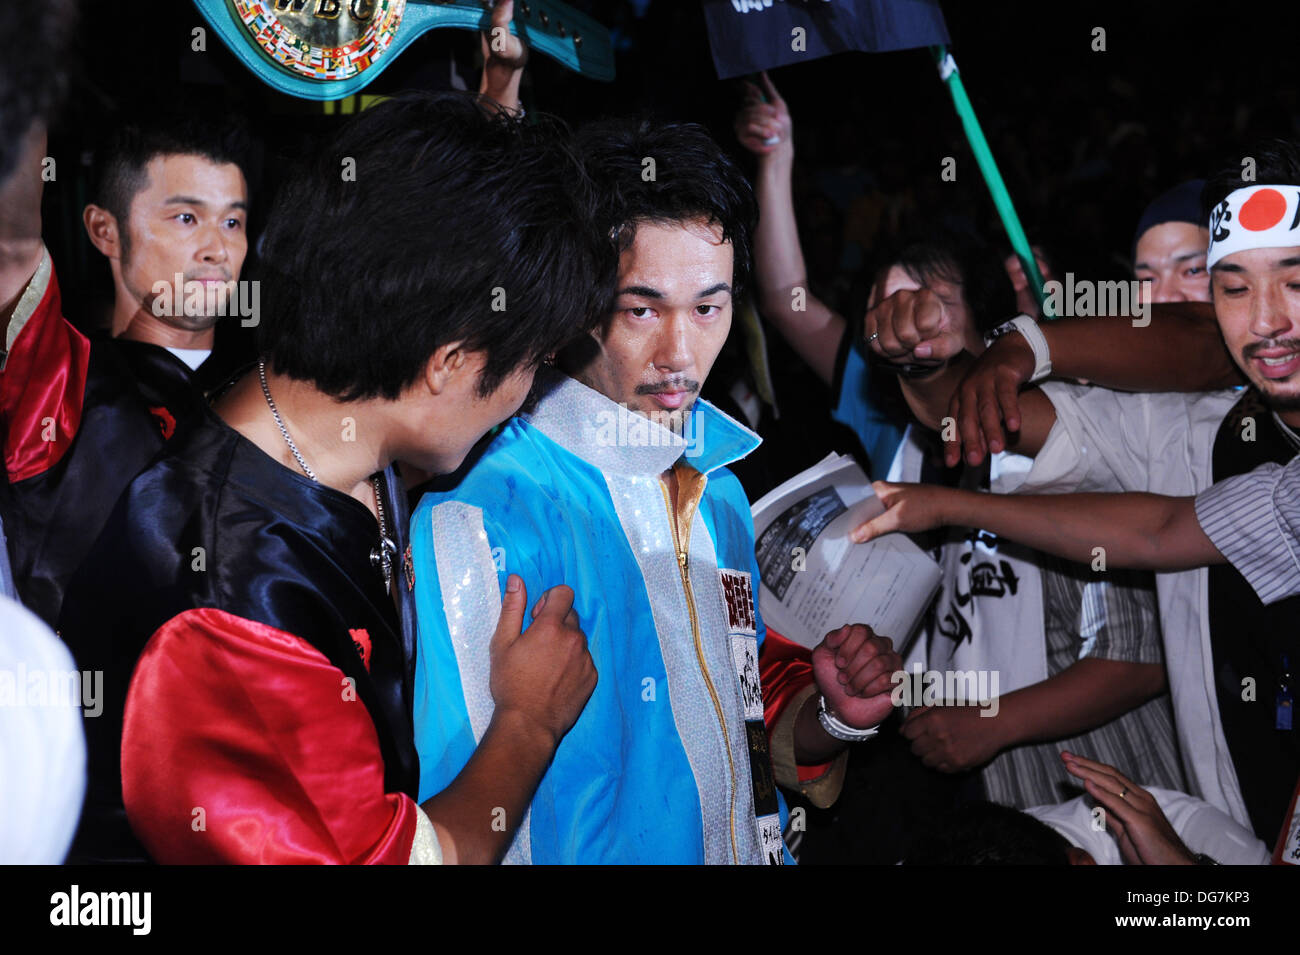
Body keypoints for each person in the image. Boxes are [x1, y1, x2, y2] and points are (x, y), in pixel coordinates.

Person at [56, 91, 607, 864]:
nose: (527, 396)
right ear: (448, 364)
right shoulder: (229, 614)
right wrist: (529, 720)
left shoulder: (333, 427)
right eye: (531, 364)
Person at [410, 117, 902, 864]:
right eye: (641, 308)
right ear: (574, 298)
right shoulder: (482, 511)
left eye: (708, 308)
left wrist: (834, 717)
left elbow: (738, 725)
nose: (680, 353)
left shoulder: (721, 492)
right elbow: (454, 830)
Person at [865, 140, 1300, 844]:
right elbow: (1152, 527)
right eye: (1233, 284)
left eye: (1295, 279)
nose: (1268, 318)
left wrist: (1029, 342)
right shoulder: (1185, 431)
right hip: (1235, 832)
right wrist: (924, 365)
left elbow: (1193, 345)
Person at [0, 114, 252, 628]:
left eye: (232, 222)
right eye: (186, 218)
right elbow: (11, 240)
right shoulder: (62, 385)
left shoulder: (279, 388)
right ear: (104, 230)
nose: (217, 249)